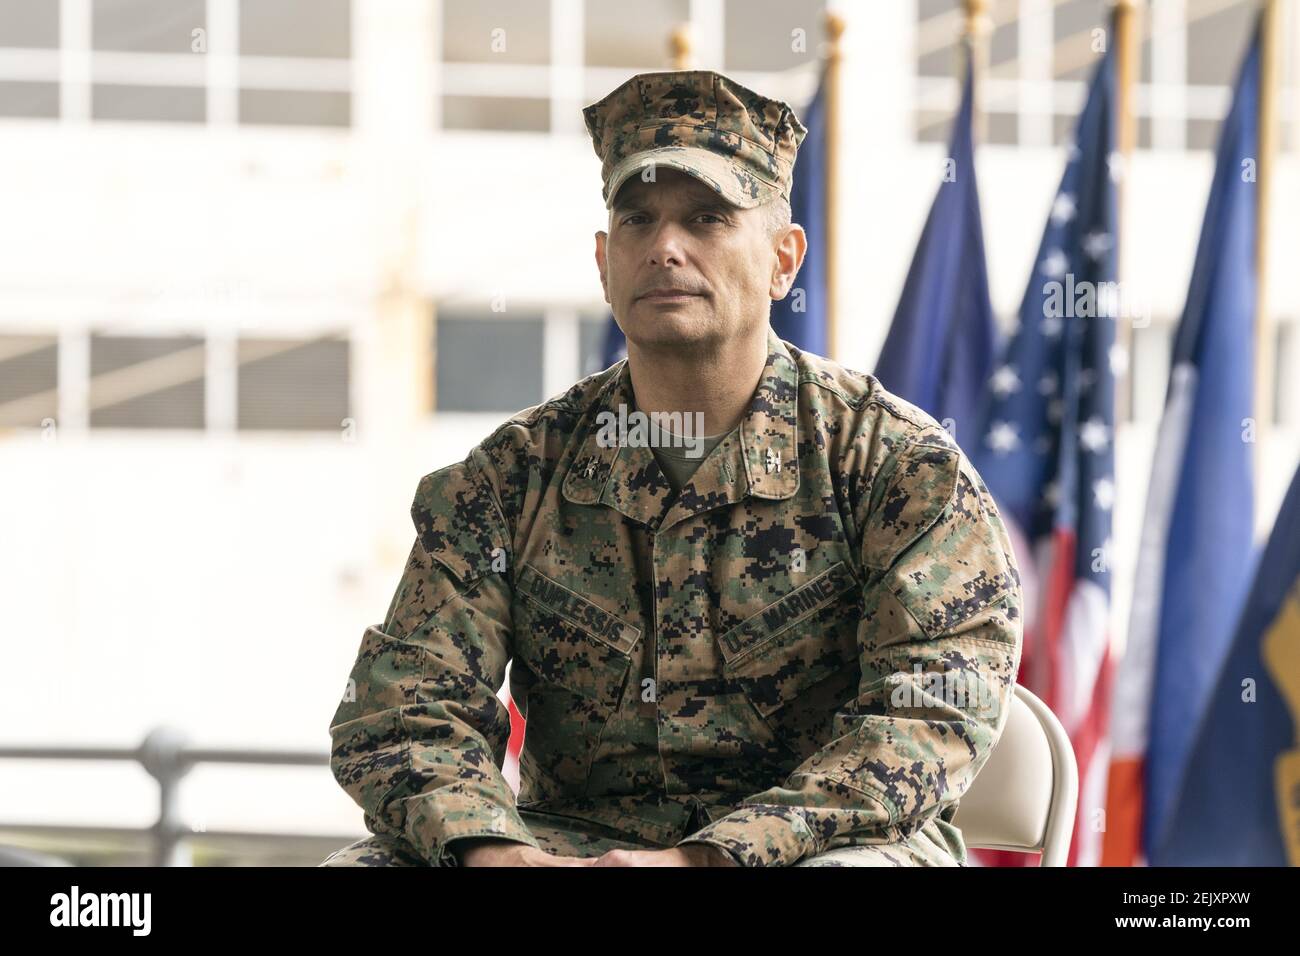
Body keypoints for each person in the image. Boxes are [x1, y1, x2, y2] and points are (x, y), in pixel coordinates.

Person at [321, 70, 1022, 867]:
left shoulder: (895, 467)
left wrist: (707, 860)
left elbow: (929, 712)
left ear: (784, 260)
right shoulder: (512, 477)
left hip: (819, 849)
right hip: (566, 850)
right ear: (603, 261)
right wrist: (492, 852)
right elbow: (403, 706)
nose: (665, 246)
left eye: (708, 218)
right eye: (637, 219)